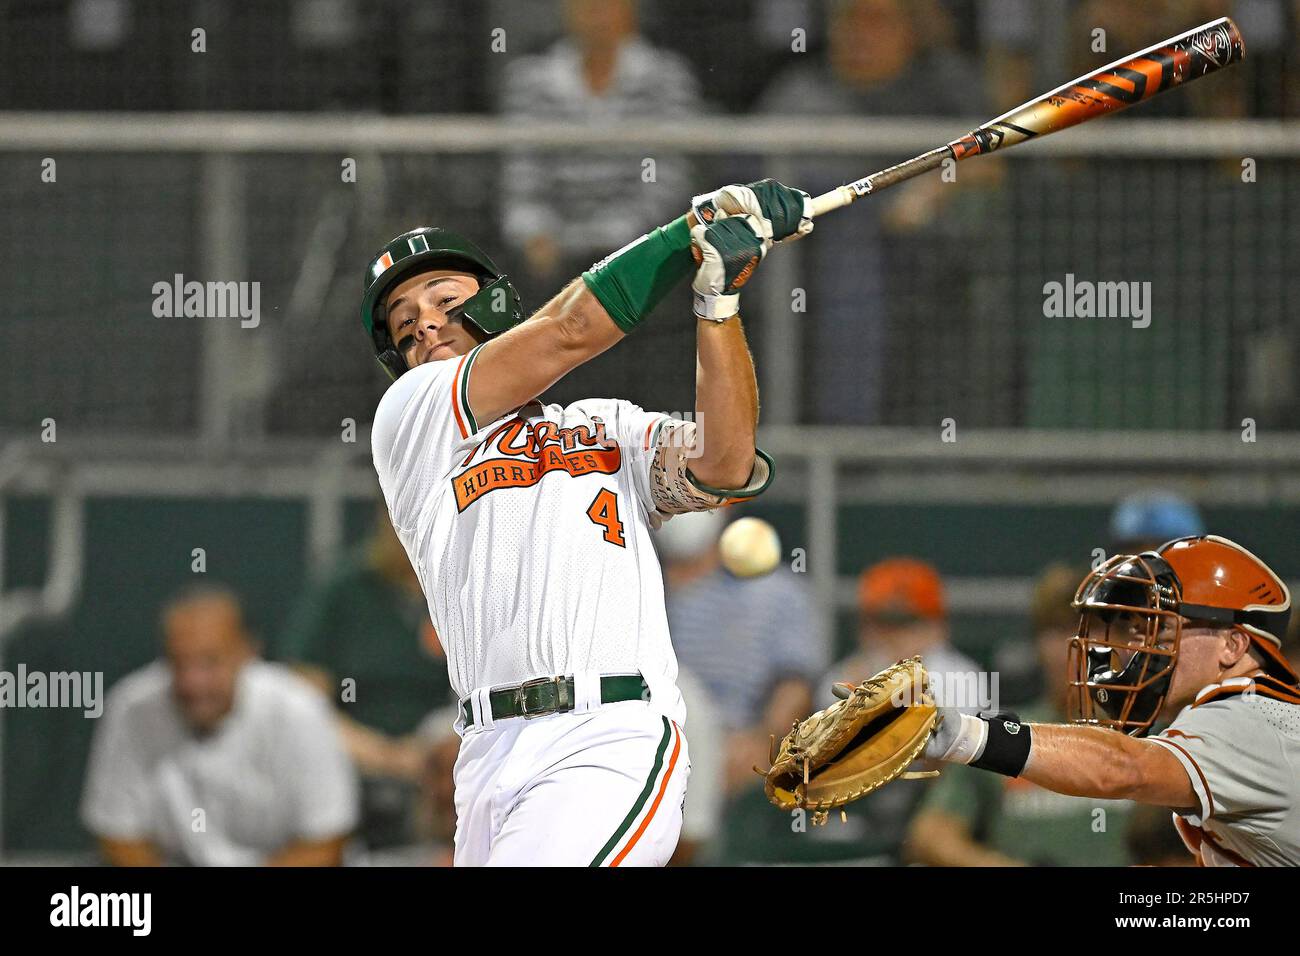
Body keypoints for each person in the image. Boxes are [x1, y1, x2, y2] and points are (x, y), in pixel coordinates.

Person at [361, 177, 814, 864]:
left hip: (606, 734)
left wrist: (718, 305)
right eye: (405, 324)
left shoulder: (606, 425)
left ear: (497, 304)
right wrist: (685, 235)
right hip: (485, 751)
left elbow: (725, 463)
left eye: (445, 302)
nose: (424, 323)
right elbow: (569, 331)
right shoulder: (411, 421)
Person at [914, 535, 1299, 867]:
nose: (1141, 648)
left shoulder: (1248, 717)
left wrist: (964, 733)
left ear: (1233, 645)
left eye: (1163, 629)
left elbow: (1121, 767)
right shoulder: (1257, 714)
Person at [80, 585, 358, 866]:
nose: (193, 682)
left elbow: (325, 840)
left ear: (247, 652)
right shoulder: (131, 708)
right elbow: (118, 834)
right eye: (179, 662)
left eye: (209, 662)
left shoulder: (300, 711)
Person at [906, 564, 1134, 866]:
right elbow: (929, 834)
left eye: (1085, 628)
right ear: (1037, 645)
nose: (1073, 644)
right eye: (1057, 629)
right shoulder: (1001, 735)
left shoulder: (1150, 734)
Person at [277, 504, 454, 850]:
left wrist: (432, 748)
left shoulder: (460, 586)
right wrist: (379, 754)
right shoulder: (342, 591)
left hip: (443, 752)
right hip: (352, 751)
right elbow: (303, 696)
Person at [658, 509, 826, 796]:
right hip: (651, 736)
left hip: (736, 741)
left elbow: (795, 685)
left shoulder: (776, 590)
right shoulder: (629, 582)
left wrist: (763, 742)